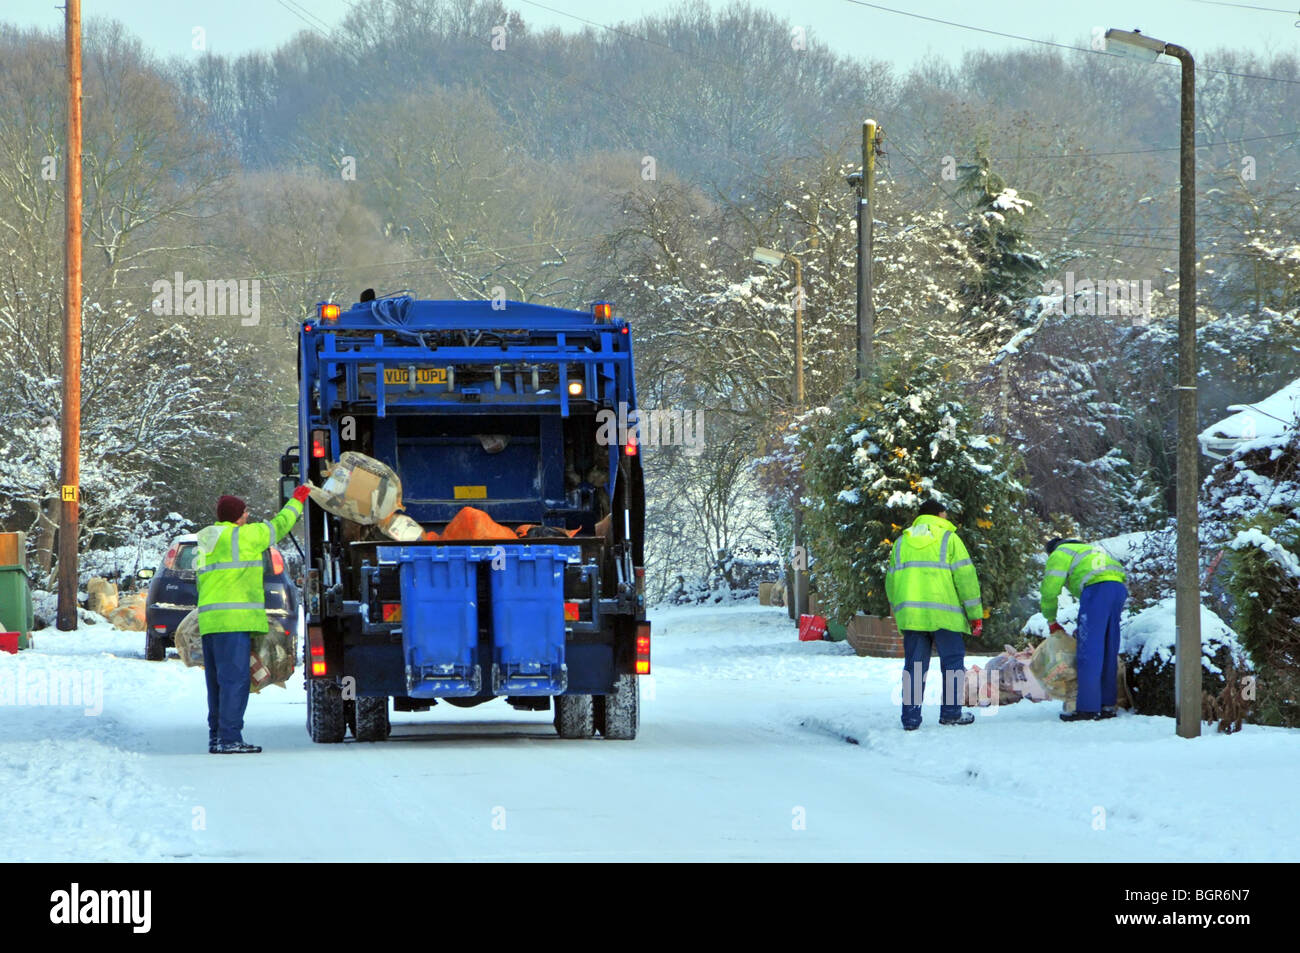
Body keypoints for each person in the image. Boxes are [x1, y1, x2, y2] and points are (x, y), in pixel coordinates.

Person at [196, 488, 310, 753]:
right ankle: (230, 739)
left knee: (216, 683)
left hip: (210, 622)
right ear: (237, 517)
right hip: (234, 622)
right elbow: (281, 524)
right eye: (244, 511)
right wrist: (298, 499)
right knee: (235, 681)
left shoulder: (206, 538)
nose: (247, 515)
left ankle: (217, 736)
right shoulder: (245, 536)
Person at [885, 500, 984, 730]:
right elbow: (966, 578)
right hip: (945, 615)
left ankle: (910, 719)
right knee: (952, 663)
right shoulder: (949, 539)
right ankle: (951, 714)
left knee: (914, 666)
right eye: (945, 515)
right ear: (939, 515)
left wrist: (901, 610)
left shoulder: (901, 543)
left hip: (913, 617)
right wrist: (974, 614)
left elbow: (891, 581)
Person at [1041, 538, 1128, 722]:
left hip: (1097, 590)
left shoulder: (1061, 553)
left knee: (1090, 649)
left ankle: (1088, 708)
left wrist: (1051, 619)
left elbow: (1050, 590)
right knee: (1108, 648)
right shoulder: (1092, 550)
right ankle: (1107, 704)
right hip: (1118, 589)